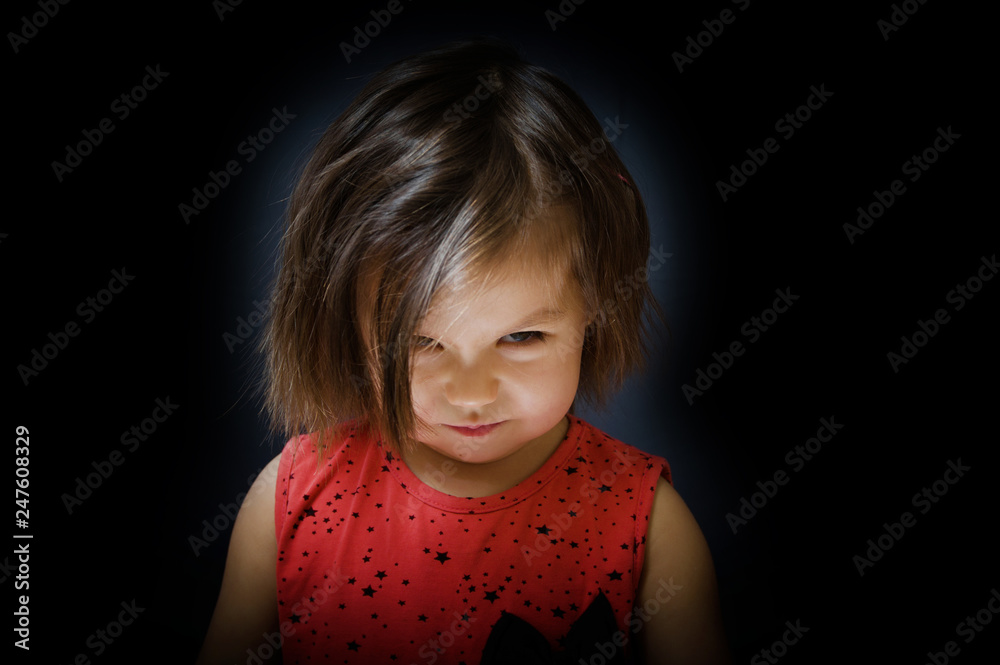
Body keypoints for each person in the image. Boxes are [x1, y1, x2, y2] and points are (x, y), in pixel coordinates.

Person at [197, 39, 730, 665]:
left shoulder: (647, 527)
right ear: (341, 321)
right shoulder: (291, 502)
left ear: (596, 307)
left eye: (522, 337)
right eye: (420, 342)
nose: (472, 394)